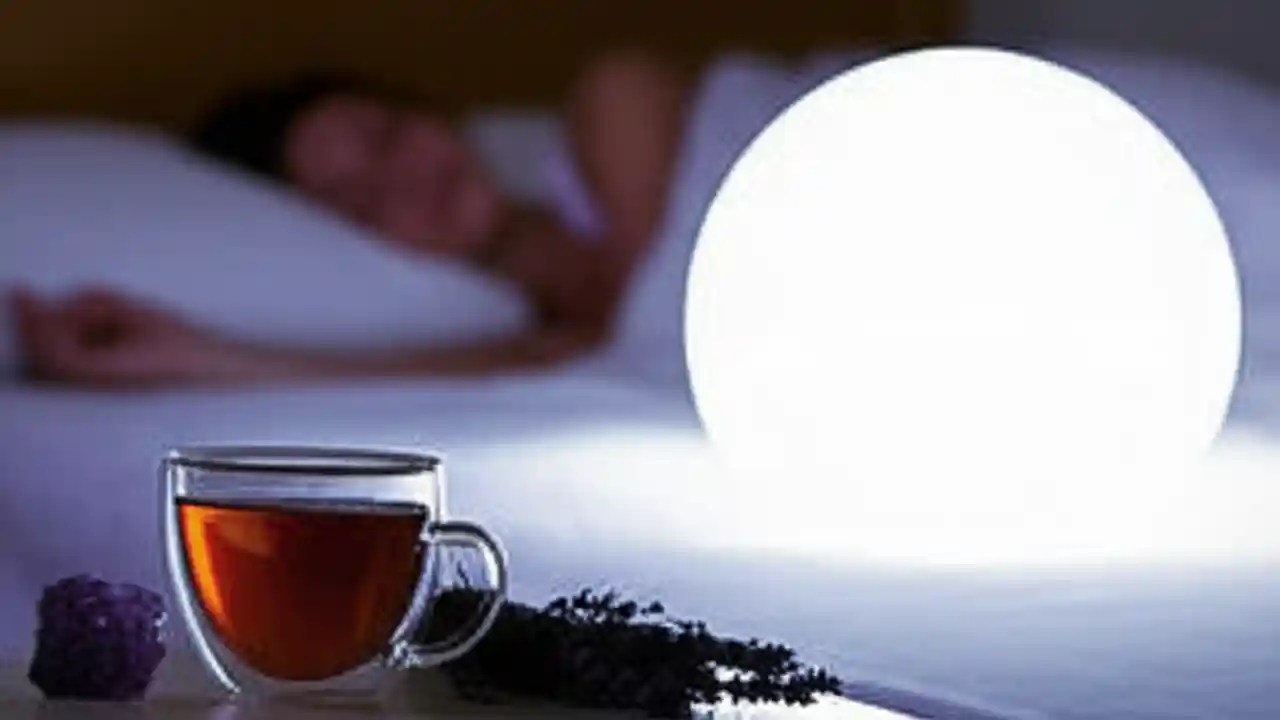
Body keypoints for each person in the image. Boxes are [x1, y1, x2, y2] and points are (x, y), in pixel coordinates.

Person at [10, 51, 688, 387]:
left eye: (387, 136)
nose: (408, 184)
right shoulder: (535, 337)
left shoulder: (614, 101)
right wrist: (200, 356)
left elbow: (632, 318)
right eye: (359, 202)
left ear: (431, 112)